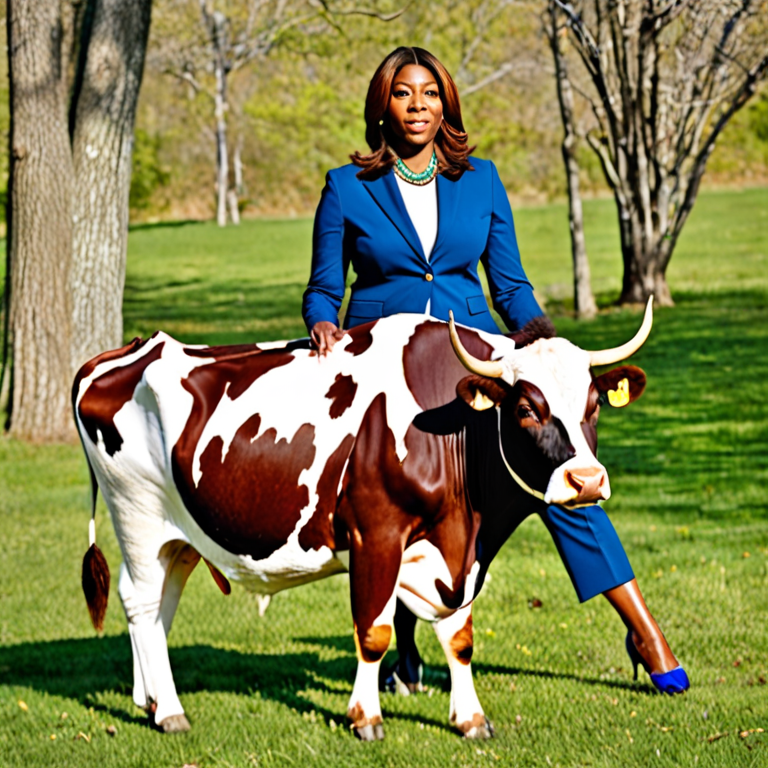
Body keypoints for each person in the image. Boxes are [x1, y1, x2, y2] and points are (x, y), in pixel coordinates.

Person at [302, 46, 689, 695]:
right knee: (398, 503)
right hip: (388, 375)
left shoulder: (481, 181)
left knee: (560, 473)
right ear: (382, 106)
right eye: (403, 93)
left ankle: (643, 630)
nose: (418, 105)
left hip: (476, 359)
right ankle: (402, 654)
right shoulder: (347, 187)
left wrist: (548, 353)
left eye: (430, 93)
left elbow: (509, 286)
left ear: (446, 105)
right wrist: (321, 321)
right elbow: (322, 288)